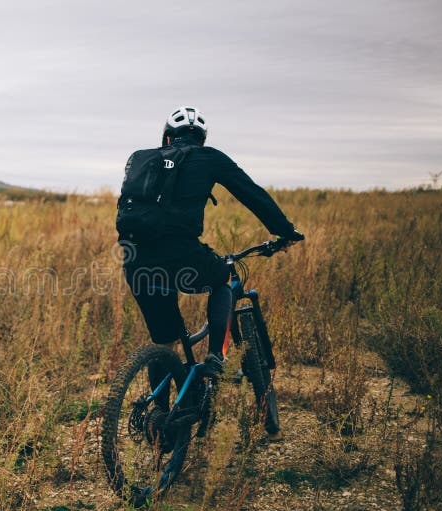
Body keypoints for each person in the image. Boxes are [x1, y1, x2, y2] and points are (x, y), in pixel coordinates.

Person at [118, 106, 304, 438]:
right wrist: (284, 231)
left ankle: (161, 418)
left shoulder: (143, 159)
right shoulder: (209, 157)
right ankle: (216, 356)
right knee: (223, 278)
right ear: (201, 140)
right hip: (182, 256)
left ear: (167, 138)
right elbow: (253, 195)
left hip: (137, 260)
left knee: (164, 340)